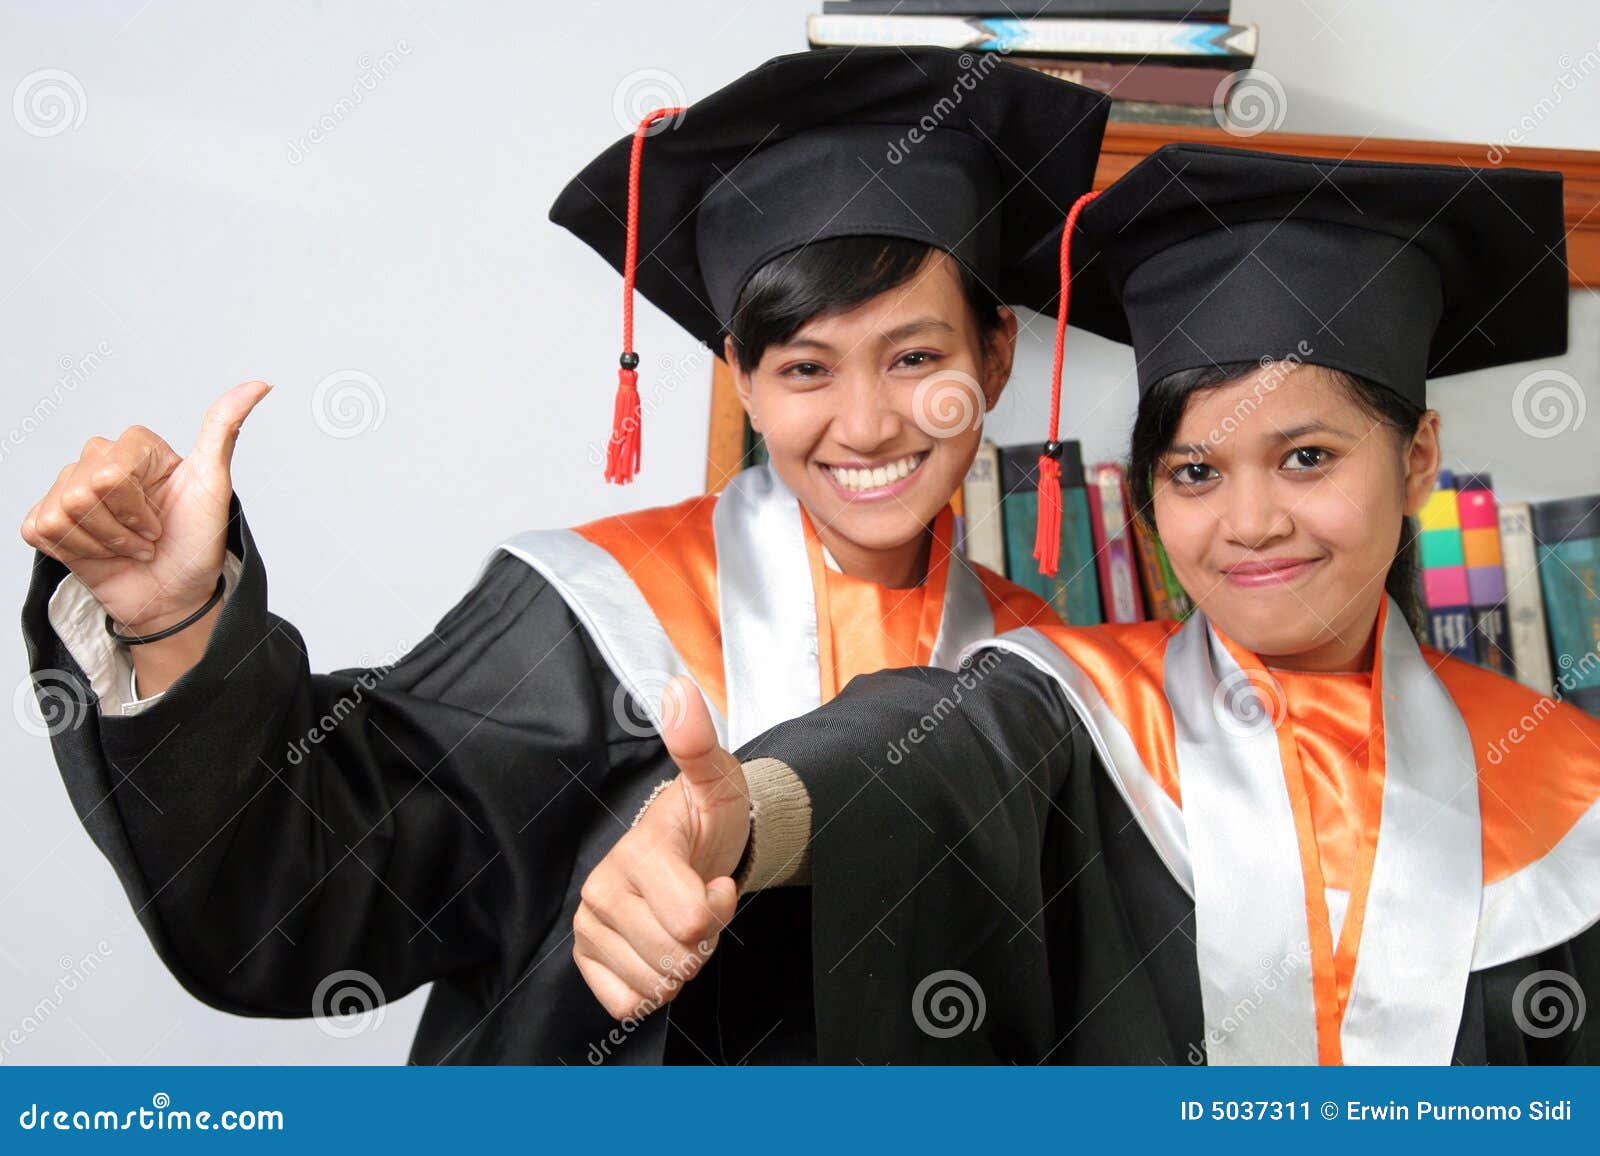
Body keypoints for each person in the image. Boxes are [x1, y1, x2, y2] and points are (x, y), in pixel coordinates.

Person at [17, 47, 1110, 1064]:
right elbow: (312, 894)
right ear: (740, 376)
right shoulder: (594, 617)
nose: (866, 425)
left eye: (914, 356)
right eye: (805, 369)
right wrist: (175, 622)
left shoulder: (1053, 676)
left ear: (997, 352)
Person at [599, 143, 1600, 1064]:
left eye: (1305, 458)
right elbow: (916, 757)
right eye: (1196, 472)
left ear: (1416, 456)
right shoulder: (1073, 713)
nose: (1248, 523)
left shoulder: (1565, 779)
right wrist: (741, 819)